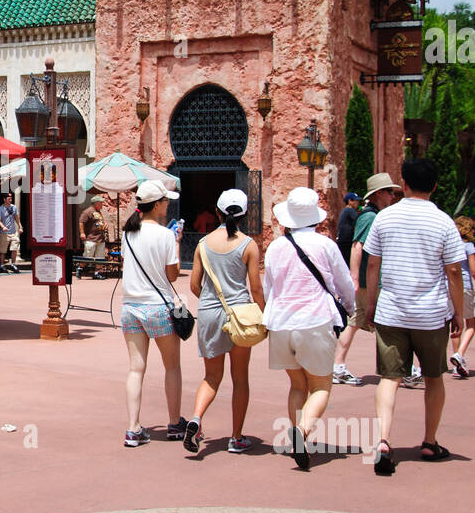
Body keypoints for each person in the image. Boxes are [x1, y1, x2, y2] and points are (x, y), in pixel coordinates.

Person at [362, 158, 465, 475]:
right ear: (434, 186)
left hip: (392, 310)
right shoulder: (444, 222)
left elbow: (373, 266)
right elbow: (453, 271)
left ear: (403, 185)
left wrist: (370, 303)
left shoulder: (385, 219)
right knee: (434, 377)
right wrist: (459, 311)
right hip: (430, 314)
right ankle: (430, 441)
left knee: (389, 378)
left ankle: (382, 441)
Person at [262, 187, 355, 470]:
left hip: (281, 323)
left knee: (297, 385)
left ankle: (297, 438)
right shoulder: (325, 245)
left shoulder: (276, 246)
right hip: (314, 319)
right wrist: (350, 308)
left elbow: (269, 287)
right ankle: (301, 432)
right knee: (321, 386)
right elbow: (344, 282)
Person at [184, 189, 264, 455]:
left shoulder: (203, 244)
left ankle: (196, 418)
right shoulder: (248, 244)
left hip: (208, 313)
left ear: (217, 212)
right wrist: (264, 316)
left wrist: (210, 300)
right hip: (239, 314)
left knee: (211, 377)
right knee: (240, 378)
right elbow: (256, 288)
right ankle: (236, 437)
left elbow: (195, 285)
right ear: (245, 215)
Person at [119, 180, 188, 447]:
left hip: (131, 308)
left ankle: (133, 428)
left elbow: (128, 265)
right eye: (165, 201)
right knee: (172, 366)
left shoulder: (128, 234)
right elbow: (172, 275)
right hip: (158, 307)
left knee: (136, 369)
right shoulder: (165, 235)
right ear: (157, 205)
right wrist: (177, 243)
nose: (167, 205)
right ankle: (174, 423)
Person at [331, 174, 400, 386]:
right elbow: (357, 246)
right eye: (389, 192)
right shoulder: (370, 218)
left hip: (371, 281)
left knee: (356, 323)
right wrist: (354, 277)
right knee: (387, 323)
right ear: (379, 194)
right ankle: (401, 368)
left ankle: (338, 366)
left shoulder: (374, 215)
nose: (392, 196)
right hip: (369, 282)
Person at [449, 216, 475, 379]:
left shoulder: (451, 244)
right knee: (471, 323)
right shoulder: (468, 246)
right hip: (465, 286)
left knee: (455, 325)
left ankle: (456, 359)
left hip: (449, 286)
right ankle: (460, 354)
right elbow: (474, 270)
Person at [78, 194, 110, 278]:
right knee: (88, 255)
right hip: (91, 238)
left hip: (100, 238)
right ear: (96, 203)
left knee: (100, 256)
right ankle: (80, 268)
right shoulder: (87, 212)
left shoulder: (98, 212)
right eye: (101, 203)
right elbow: (81, 222)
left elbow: (99, 222)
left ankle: (97, 273)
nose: (102, 205)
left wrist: (105, 224)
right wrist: (82, 233)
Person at [0, 193, 22, 273]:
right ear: (4, 199)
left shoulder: (14, 207)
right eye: (9, 198)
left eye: (11, 198)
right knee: (3, 251)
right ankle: (2, 265)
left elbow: (16, 218)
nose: (10, 200)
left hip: (13, 232)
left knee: (14, 249)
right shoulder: (0, 209)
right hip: (4, 233)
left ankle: (13, 264)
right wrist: (3, 227)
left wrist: (20, 227)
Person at [336, 192, 362, 264]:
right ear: (350, 201)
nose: (358, 203)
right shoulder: (350, 210)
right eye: (356, 201)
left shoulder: (346, 210)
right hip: (346, 242)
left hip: (342, 241)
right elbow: (358, 221)